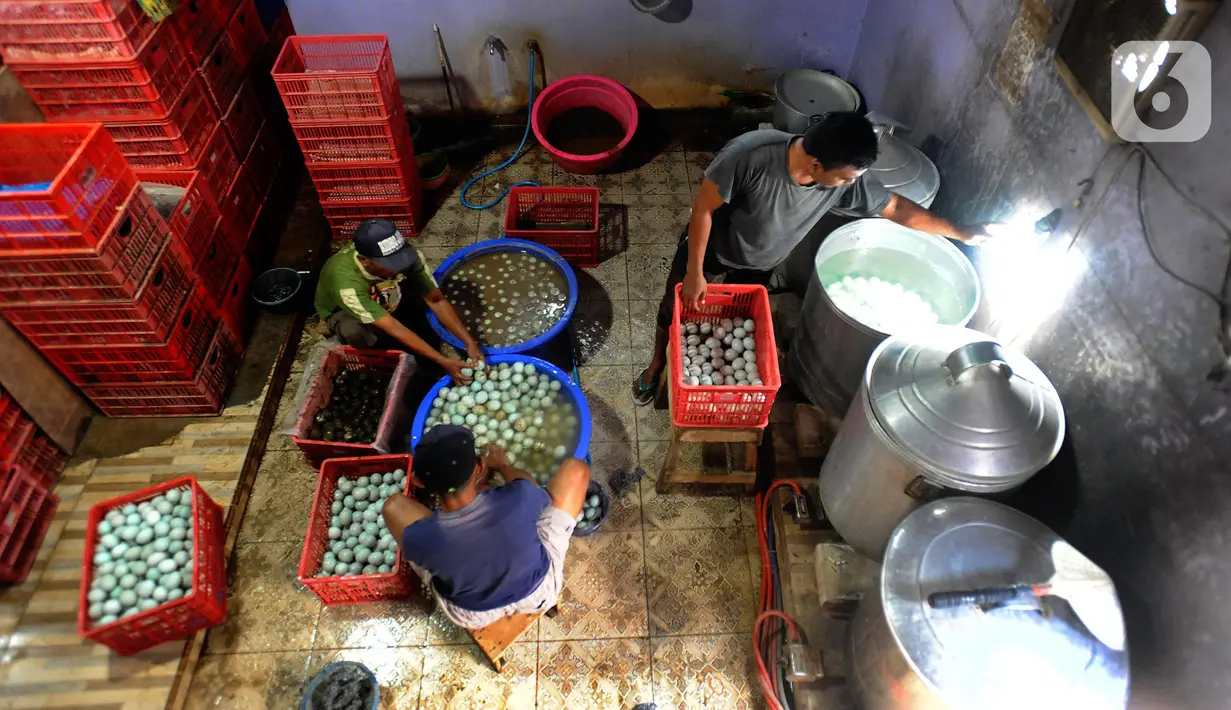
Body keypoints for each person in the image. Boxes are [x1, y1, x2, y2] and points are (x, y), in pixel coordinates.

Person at [632, 112, 997, 405]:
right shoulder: (750, 156)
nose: (850, 185)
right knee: (674, 306)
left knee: (734, 318)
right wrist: (696, 272)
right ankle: (656, 363)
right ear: (818, 164)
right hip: (713, 249)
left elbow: (896, 206)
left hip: (761, 263)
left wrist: (962, 231)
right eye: (844, 178)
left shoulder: (840, 180)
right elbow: (703, 210)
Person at [382, 425, 591, 629]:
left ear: (417, 481)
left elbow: (410, 524)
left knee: (393, 506)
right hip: (538, 592)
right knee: (577, 470)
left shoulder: (420, 538)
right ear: (479, 466)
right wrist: (503, 466)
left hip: (474, 614)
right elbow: (530, 486)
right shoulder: (519, 498)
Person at [314, 218, 482, 383]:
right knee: (355, 331)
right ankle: (395, 360)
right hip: (345, 311)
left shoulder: (410, 257)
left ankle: (414, 331)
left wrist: (468, 342)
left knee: (421, 299)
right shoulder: (347, 285)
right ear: (364, 260)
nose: (400, 265)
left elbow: (436, 300)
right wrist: (441, 360)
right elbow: (393, 327)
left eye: (400, 258)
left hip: (388, 294)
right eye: (390, 263)